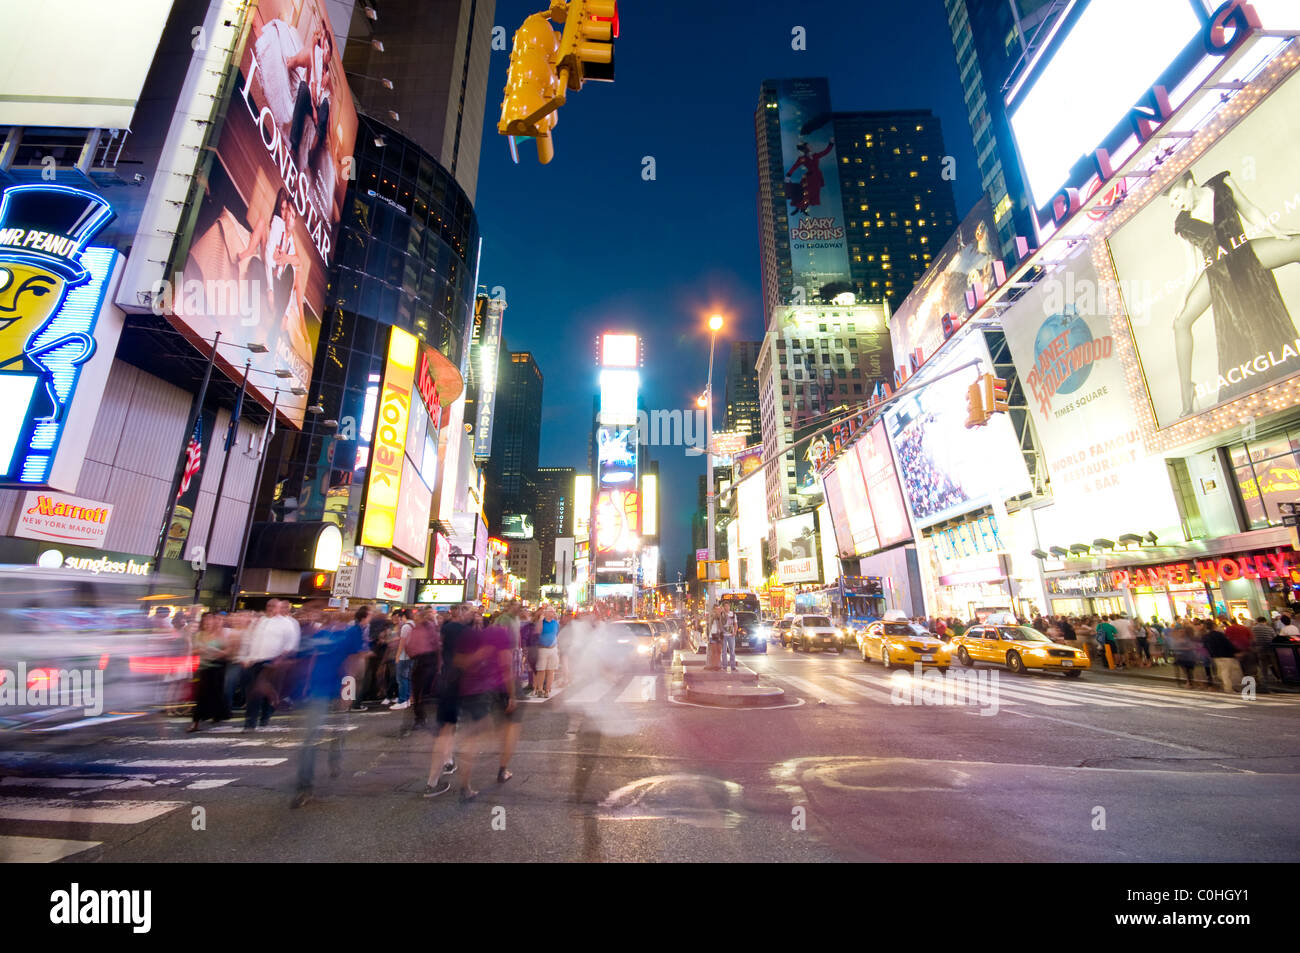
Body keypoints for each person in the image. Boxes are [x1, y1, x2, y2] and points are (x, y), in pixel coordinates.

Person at [1163, 168, 1300, 417]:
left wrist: (1277, 231)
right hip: (1217, 273)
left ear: (1190, 182)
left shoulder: (1222, 184)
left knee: (1298, 243)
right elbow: (1192, 267)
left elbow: (1249, 210)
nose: (1175, 205)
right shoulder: (1182, 225)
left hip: (1247, 255)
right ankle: (1187, 399)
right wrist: (1182, 299)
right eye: (1171, 202)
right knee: (1180, 323)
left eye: (1176, 196)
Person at [291, 611, 365, 809]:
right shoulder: (317, 637)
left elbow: (354, 661)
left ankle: (334, 760)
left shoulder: (347, 636)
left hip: (336, 689)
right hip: (320, 691)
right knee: (312, 736)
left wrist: (348, 692)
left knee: (337, 729)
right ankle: (305, 786)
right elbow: (304, 661)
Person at [424, 603, 474, 797]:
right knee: (454, 731)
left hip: (447, 679)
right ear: (460, 612)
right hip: (458, 683)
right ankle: (439, 781)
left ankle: (446, 763)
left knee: (447, 728)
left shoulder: (445, 627)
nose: (473, 615)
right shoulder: (461, 630)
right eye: (469, 611)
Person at [238, 599, 300, 730]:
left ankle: (265, 716)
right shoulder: (258, 621)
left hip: (273, 662)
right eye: (269, 605)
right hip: (255, 660)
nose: (271, 608)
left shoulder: (287, 623)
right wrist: (244, 657)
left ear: (279, 608)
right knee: (253, 692)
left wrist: (281, 658)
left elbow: (291, 643)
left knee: (268, 692)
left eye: (274, 606)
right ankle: (250, 722)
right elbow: (248, 640)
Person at [190, 611, 230, 732]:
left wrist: (220, 653)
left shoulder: (220, 635)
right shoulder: (198, 635)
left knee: (216, 693)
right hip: (204, 668)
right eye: (205, 621)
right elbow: (192, 651)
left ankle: (216, 714)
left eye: (210, 621)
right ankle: (195, 722)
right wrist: (200, 650)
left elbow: (228, 650)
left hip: (217, 667)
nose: (208, 623)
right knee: (201, 695)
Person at [406, 607, 441, 728]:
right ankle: (419, 717)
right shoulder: (415, 629)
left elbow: (436, 644)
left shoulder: (429, 627)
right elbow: (409, 646)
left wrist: (439, 664)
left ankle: (423, 717)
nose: (416, 619)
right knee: (418, 691)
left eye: (418, 617)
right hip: (419, 660)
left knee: (425, 690)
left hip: (429, 660)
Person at [1200, 619, 1243, 693]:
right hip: (1226, 655)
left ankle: (1227, 687)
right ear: (1213, 626)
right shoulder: (1219, 634)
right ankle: (1229, 688)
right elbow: (1227, 643)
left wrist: (1211, 654)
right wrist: (1236, 652)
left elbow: (1205, 647)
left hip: (1216, 656)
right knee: (1226, 672)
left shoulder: (1206, 637)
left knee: (1222, 672)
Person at [533, 604, 561, 698]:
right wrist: (541, 620)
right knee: (541, 670)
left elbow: (557, 634)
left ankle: (547, 689)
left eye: (554, 611)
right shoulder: (541, 622)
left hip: (553, 648)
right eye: (551, 611)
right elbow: (537, 631)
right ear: (546, 613)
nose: (553, 613)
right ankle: (540, 689)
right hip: (542, 649)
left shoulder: (555, 623)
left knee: (551, 670)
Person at [392, 609, 414, 711]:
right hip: (412, 656)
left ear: (403, 617)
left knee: (401, 678)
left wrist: (397, 655)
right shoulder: (414, 625)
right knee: (408, 678)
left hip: (404, 656)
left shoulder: (406, 627)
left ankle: (402, 700)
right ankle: (407, 699)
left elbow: (402, 643)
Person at [722, 606, 738, 672]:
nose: (727, 608)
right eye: (725, 606)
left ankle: (733, 666)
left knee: (732, 651)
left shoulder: (733, 614)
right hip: (723, 635)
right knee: (724, 652)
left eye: (728, 606)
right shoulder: (721, 614)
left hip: (731, 635)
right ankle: (724, 666)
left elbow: (735, 624)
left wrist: (735, 632)